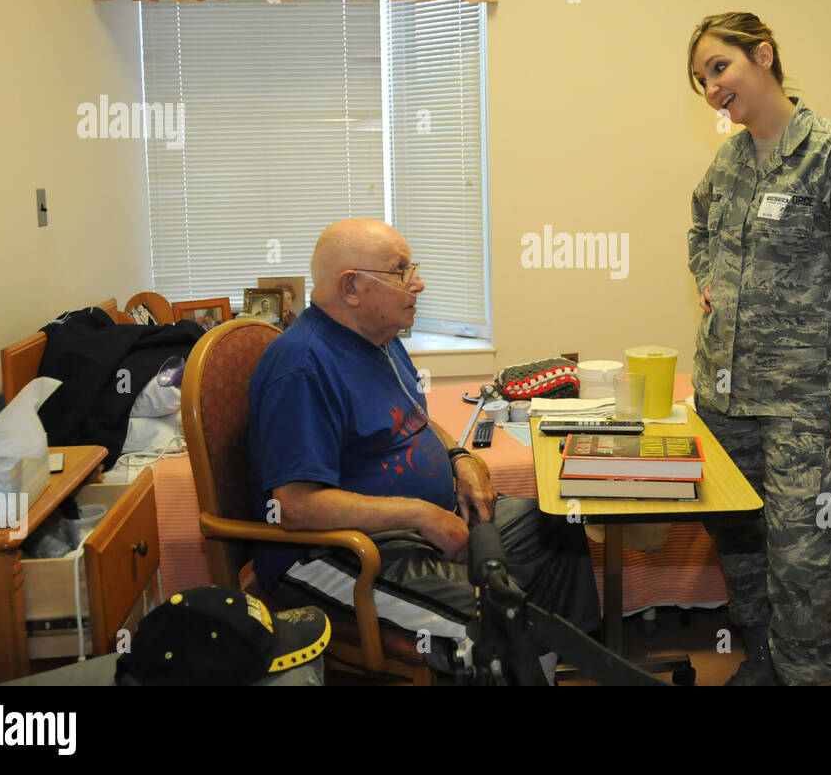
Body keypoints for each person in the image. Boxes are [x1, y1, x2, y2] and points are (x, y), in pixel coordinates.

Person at [248, 218, 601, 665]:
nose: (418, 283)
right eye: (401, 271)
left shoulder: (380, 338)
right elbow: (297, 507)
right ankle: (505, 656)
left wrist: (459, 457)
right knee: (493, 619)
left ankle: (546, 664)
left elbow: (414, 420)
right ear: (352, 287)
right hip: (339, 551)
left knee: (556, 529)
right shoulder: (301, 367)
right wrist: (420, 514)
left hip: (423, 525)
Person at [686, 12, 831, 685]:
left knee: (801, 563)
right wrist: (708, 282)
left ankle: (807, 673)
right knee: (743, 546)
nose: (711, 88)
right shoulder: (729, 158)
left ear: (763, 55)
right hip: (725, 397)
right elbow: (699, 229)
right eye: (699, 80)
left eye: (718, 67)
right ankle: (763, 663)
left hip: (806, 408)